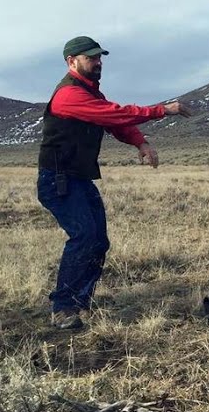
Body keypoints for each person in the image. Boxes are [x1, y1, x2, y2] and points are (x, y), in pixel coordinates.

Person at [36, 35, 191, 330]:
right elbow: (115, 114)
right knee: (84, 237)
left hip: (77, 178)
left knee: (98, 241)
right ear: (72, 62)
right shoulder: (69, 95)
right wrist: (162, 109)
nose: (98, 62)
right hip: (58, 179)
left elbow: (114, 123)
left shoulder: (90, 92)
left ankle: (80, 302)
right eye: (91, 57)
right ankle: (64, 308)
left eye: (99, 57)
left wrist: (141, 143)